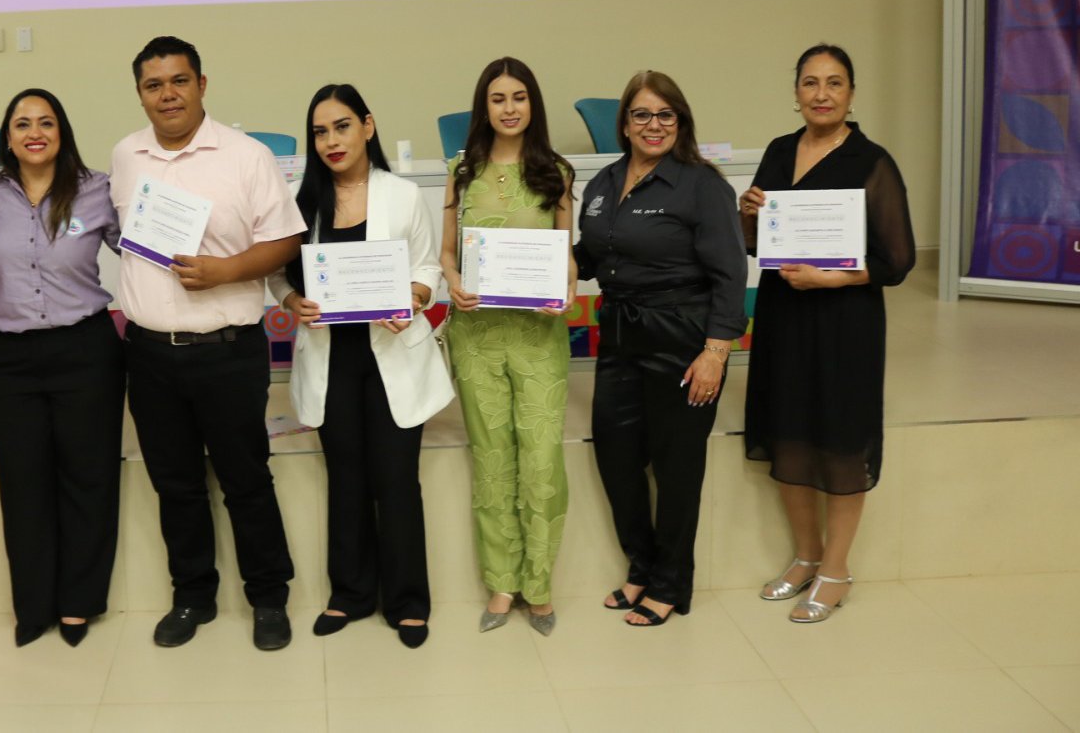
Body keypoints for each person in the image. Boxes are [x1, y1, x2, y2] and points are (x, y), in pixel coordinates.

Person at [109, 35, 306, 651]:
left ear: (201, 84)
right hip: (147, 350)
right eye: (153, 84)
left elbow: (285, 240)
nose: (167, 94)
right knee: (176, 484)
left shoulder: (245, 156)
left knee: (246, 480)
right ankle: (192, 596)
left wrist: (225, 271)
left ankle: (269, 599)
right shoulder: (125, 156)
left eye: (178, 81)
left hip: (226, 348)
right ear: (140, 93)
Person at [268, 84, 453, 649]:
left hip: (393, 354)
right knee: (346, 481)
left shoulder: (401, 194)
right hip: (333, 358)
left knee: (396, 482)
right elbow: (279, 272)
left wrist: (417, 295)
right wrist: (288, 301)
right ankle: (349, 594)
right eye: (320, 131)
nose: (331, 141)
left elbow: (426, 261)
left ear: (367, 127)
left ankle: (408, 601)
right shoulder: (301, 203)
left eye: (342, 126)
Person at [741, 44, 915, 623]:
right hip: (785, 317)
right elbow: (755, 243)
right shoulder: (778, 151)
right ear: (795, 93)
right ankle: (805, 556)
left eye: (834, 83)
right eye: (810, 83)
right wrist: (749, 214)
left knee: (840, 439)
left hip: (845, 322)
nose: (821, 94)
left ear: (851, 94)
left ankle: (836, 568)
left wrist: (833, 277)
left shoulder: (872, 161)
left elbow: (897, 259)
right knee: (789, 429)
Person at [575, 70, 747, 627]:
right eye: (642, 115)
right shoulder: (602, 184)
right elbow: (592, 256)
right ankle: (641, 565)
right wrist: (529, 269)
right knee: (617, 458)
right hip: (620, 337)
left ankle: (670, 582)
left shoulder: (702, 184)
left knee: (676, 468)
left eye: (665, 115)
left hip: (683, 339)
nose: (654, 126)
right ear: (624, 124)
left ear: (681, 122)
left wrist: (716, 353)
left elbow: (729, 272)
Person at [0, 88, 125, 648]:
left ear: (62, 131)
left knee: (88, 478)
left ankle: (79, 603)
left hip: (85, 351)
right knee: (23, 485)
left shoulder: (98, 190)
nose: (35, 132)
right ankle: (34, 606)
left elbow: (141, 248)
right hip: (11, 359)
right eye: (23, 123)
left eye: (46, 122)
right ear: (7, 136)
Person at [439, 58, 577, 636]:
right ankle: (501, 585)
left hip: (538, 336)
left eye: (519, 97)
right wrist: (453, 283)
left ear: (533, 104)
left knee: (541, 463)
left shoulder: (556, 172)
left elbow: (567, 252)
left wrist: (568, 289)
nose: (510, 108)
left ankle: (539, 586)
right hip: (476, 336)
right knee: (493, 463)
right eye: (498, 99)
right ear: (484, 108)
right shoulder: (461, 169)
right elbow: (447, 252)